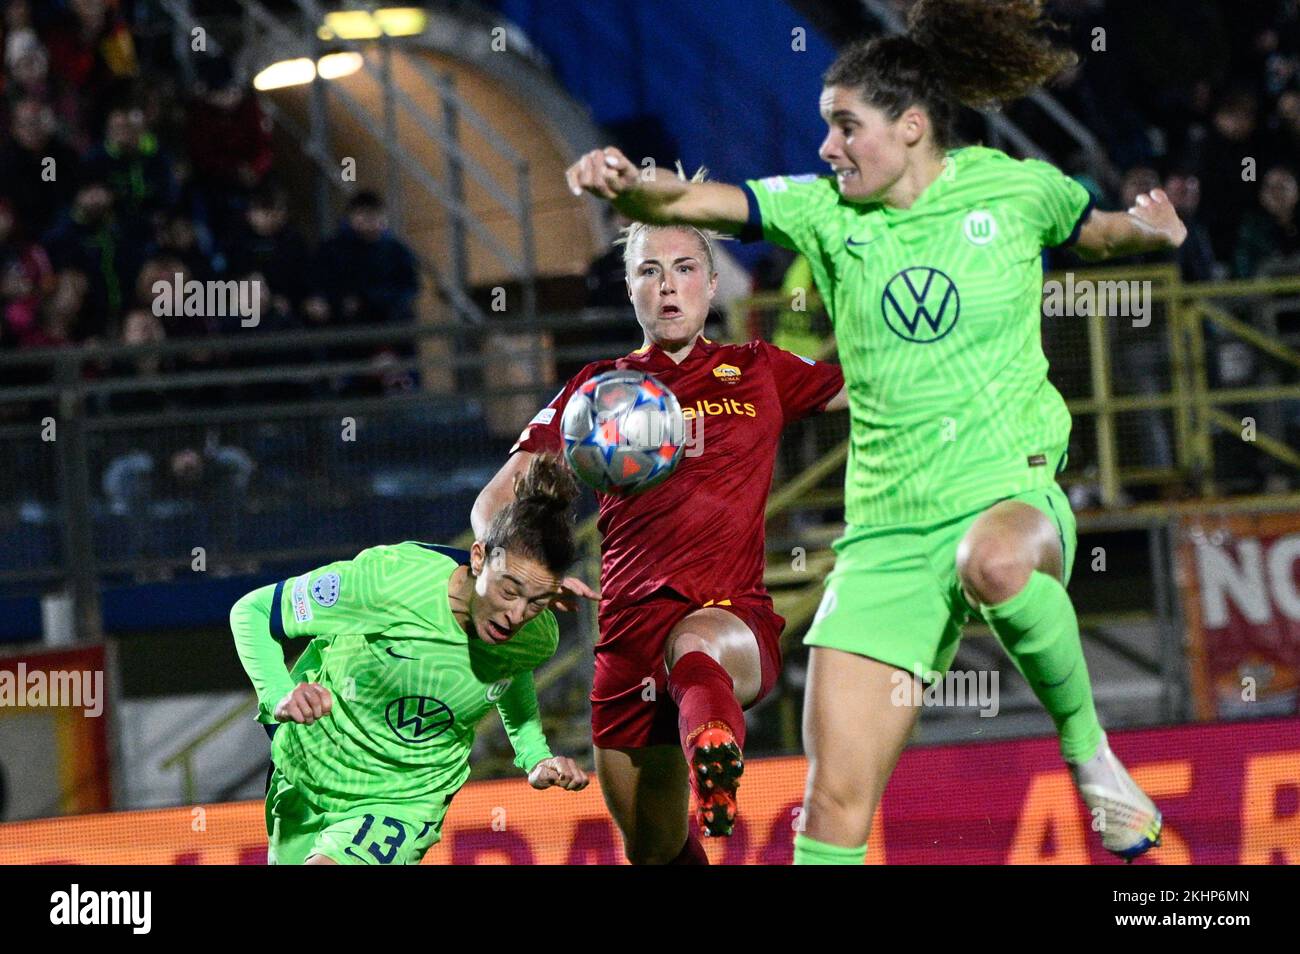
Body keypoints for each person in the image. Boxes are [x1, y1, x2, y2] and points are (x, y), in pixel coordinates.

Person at [565, 0, 1187, 865]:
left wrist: (1150, 229)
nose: (827, 148)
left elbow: (1099, 232)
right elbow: (689, 196)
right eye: (827, 128)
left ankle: (1094, 761)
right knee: (830, 809)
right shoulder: (823, 213)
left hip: (1011, 491)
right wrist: (623, 183)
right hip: (886, 537)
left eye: (845, 128)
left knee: (995, 562)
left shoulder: (1015, 189)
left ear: (912, 127)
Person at [472, 196, 846, 863]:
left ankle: (715, 755)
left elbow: (877, 387)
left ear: (709, 282)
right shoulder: (597, 389)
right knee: (654, 852)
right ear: (630, 288)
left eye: (683, 268)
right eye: (650, 271)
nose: (668, 284)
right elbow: (496, 499)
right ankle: (702, 764)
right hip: (625, 642)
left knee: (694, 643)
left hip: (726, 618)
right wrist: (521, 571)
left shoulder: (758, 369)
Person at [230, 453, 589, 865]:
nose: (517, 615)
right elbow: (252, 612)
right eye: (509, 591)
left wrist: (535, 755)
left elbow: (508, 677)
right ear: (477, 558)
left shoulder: (537, 636)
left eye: (536, 602)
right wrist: (279, 692)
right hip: (305, 771)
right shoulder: (390, 582)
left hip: (404, 799)